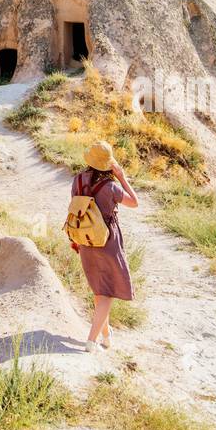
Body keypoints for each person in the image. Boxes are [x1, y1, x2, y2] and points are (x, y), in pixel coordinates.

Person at [71, 140, 139, 351]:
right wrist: (122, 177)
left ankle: (106, 335)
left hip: (84, 239)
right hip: (107, 241)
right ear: (108, 164)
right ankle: (91, 342)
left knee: (99, 290)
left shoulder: (78, 180)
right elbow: (135, 202)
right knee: (107, 292)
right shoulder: (111, 187)